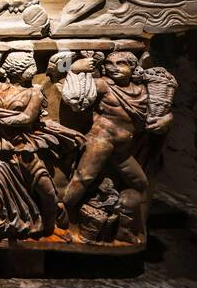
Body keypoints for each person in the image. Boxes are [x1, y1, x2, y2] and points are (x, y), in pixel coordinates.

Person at [60, 50, 162, 243]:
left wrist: (167, 119)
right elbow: (75, 94)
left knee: (140, 184)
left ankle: (124, 228)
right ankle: (60, 214)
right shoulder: (104, 85)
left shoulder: (143, 91)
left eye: (121, 64)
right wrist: (74, 69)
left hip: (122, 149)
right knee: (82, 179)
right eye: (109, 64)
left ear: (132, 68)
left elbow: (159, 112)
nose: (114, 68)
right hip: (101, 142)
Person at [0, 51, 80, 239]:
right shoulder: (0, 86)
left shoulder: (35, 92)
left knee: (46, 190)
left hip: (25, 147)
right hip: (1, 149)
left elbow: (27, 117)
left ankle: (50, 226)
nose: (33, 70)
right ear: (18, 70)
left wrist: (1, 116)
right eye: (29, 67)